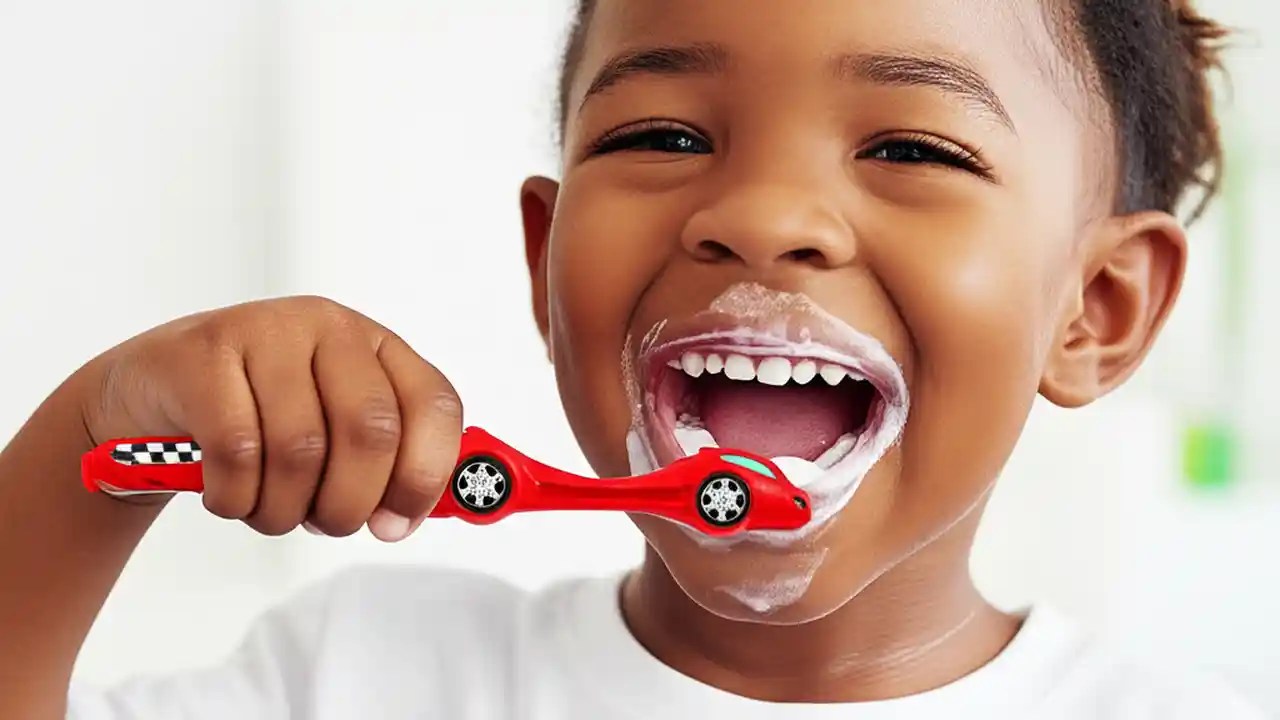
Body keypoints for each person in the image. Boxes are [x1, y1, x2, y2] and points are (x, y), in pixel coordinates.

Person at [0, 0, 1265, 718]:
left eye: (912, 150)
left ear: (1092, 309)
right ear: (550, 264)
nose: (760, 215)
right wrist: (87, 441)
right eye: (661, 132)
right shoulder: (359, 679)